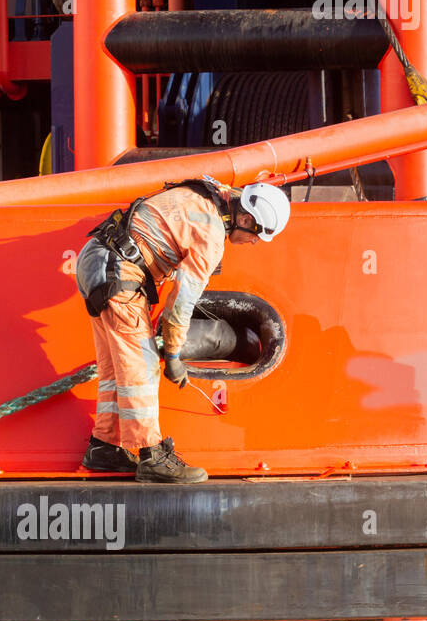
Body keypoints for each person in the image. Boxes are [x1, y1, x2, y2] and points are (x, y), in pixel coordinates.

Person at [75, 176, 291, 483]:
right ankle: (152, 456)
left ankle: (104, 446)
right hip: (118, 272)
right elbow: (182, 303)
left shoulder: (205, 195)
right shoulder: (212, 235)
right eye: (256, 235)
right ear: (244, 219)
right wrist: (174, 356)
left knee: (114, 366)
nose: (254, 242)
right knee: (143, 364)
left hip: (96, 260)